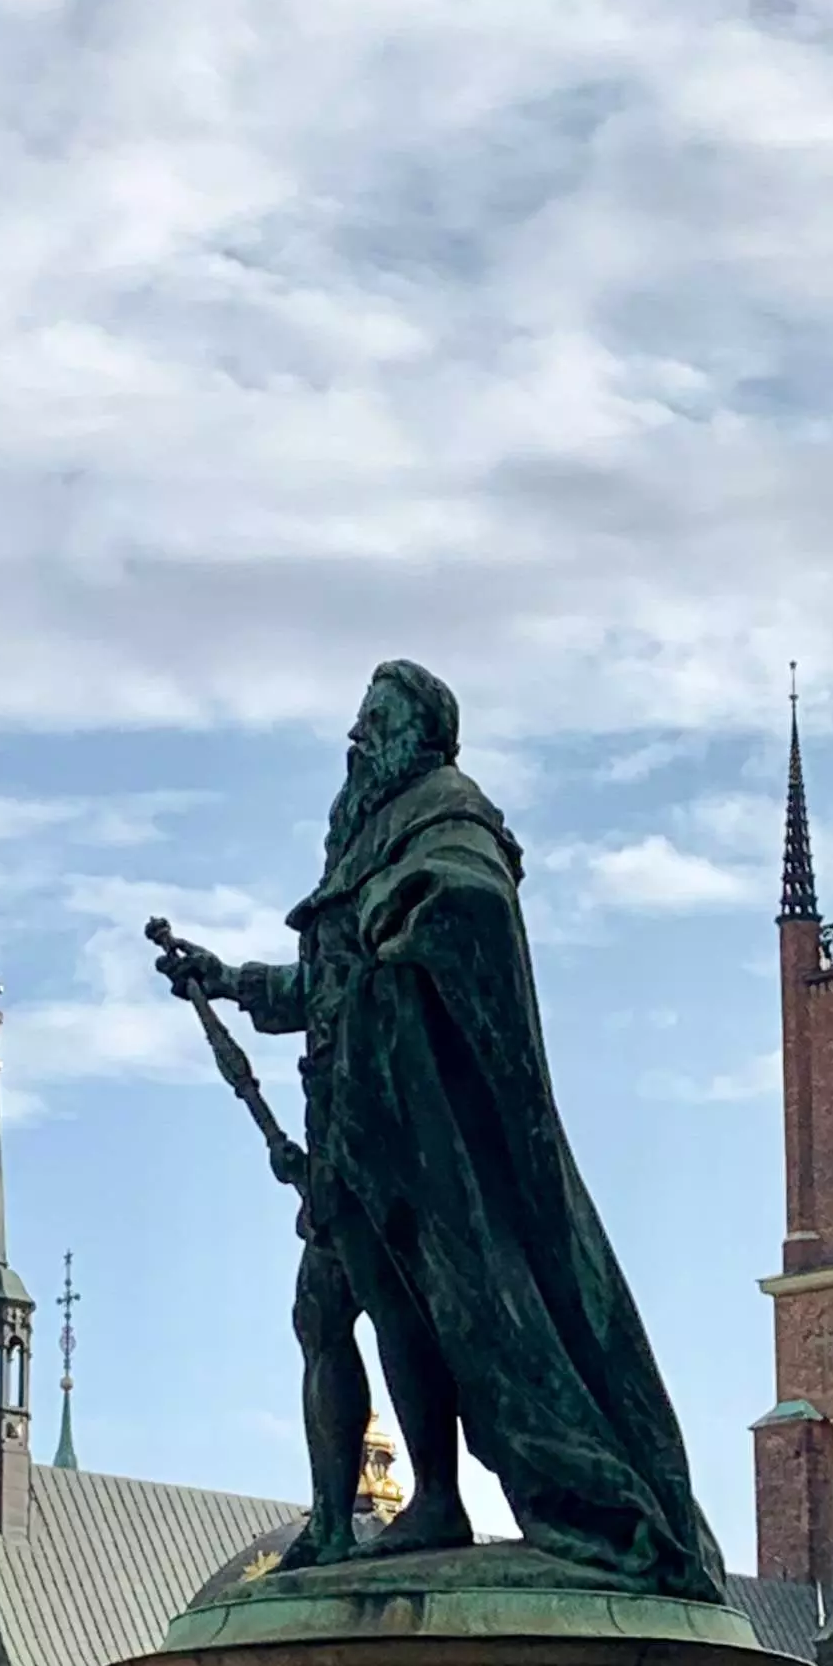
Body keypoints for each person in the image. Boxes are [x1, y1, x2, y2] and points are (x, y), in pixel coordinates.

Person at [153, 660, 724, 1604]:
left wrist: (410, 914)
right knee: (326, 1315)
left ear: (419, 737)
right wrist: (228, 978)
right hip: (351, 1129)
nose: (355, 738)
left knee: (419, 1314)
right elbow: (327, 984)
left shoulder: (448, 816)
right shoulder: (361, 834)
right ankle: (337, 1519)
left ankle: (436, 1502)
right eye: (358, 720)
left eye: (372, 722)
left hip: (422, 1142)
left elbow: (473, 903)